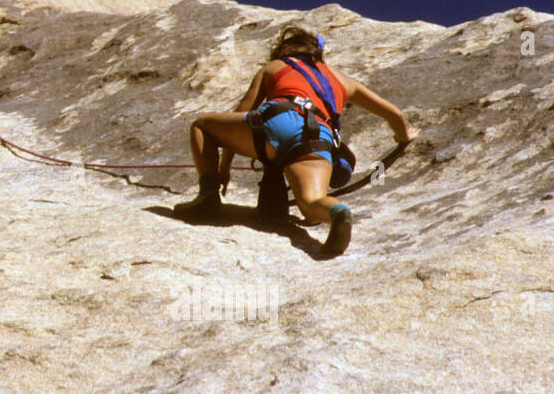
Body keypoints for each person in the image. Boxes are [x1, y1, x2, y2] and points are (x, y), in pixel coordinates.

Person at [173, 25, 418, 254]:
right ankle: (337, 212)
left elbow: (241, 113)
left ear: (284, 51)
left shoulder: (274, 67)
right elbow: (394, 114)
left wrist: (222, 169)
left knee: (202, 125)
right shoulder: (344, 81)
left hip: (276, 122)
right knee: (311, 201)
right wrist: (404, 137)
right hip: (318, 137)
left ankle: (208, 197)